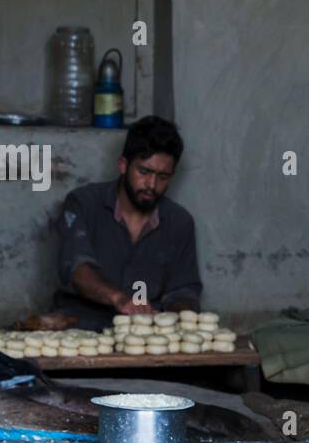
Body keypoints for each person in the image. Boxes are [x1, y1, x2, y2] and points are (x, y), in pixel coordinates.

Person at [52, 116, 202, 330]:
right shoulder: (83, 203)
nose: (152, 184)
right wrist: (120, 299)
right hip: (80, 325)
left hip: (146, 335)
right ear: (123, 165)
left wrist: (178, 318)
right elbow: (78, 269)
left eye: (163, 176)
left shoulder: (180, 222)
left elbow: (183, 289)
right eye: (144, 172)